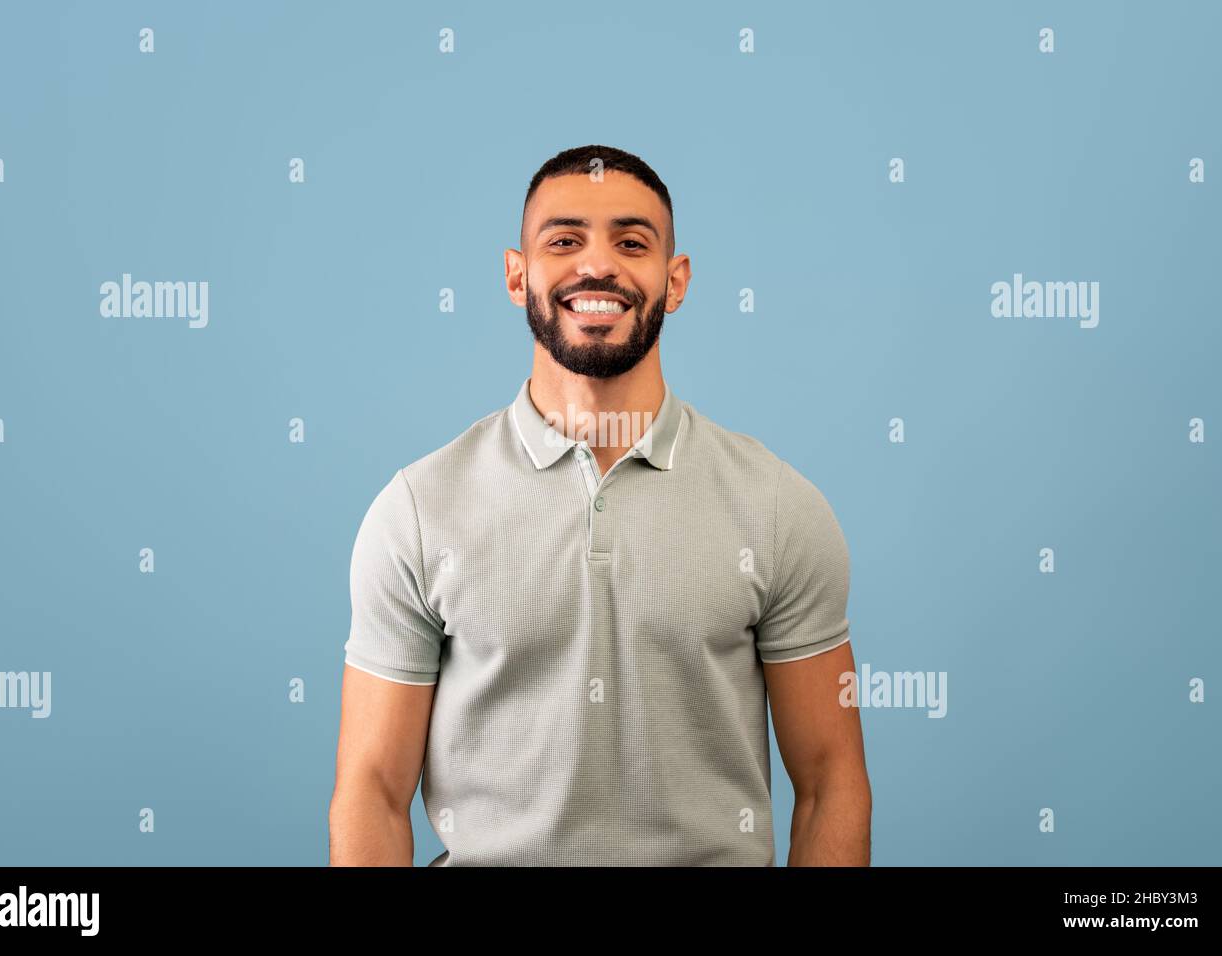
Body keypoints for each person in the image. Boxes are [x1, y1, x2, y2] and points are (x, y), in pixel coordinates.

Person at [329, 145, 871, 866]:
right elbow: (370, 790)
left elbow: (833, 782)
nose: (597, 265)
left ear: (674, 281)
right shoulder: (419, 511)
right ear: (517, 275)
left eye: (631, 242)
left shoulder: (777, 507)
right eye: (563, 241)